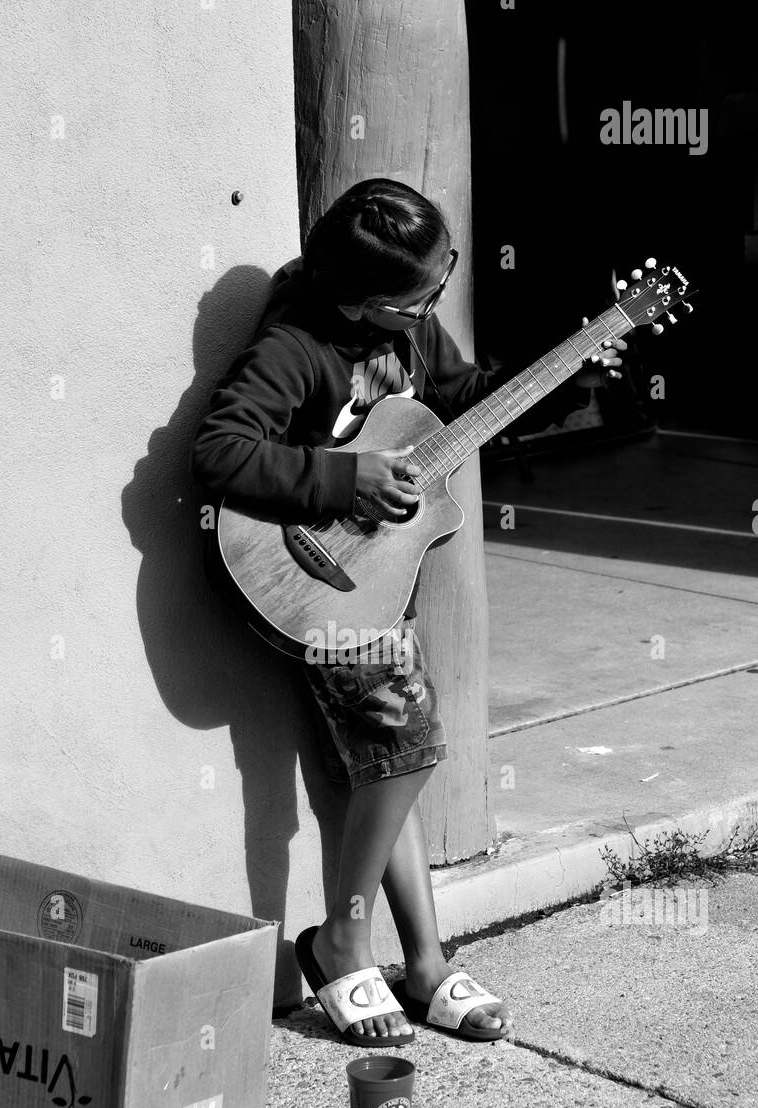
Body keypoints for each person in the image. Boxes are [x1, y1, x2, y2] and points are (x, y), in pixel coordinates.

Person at [193, 178, 626, 1046]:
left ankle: (424, 964)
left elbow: (459, 404)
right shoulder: (295, 345)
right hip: (309, 575)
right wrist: (345, 477)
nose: (436, 299)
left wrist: (563, 367)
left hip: (377, 582)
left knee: (390, 759)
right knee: (410, 747)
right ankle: (344, 942)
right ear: (360, 300)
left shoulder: (408, 324)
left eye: (443, 275)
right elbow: (219, 451)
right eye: (424, 291)